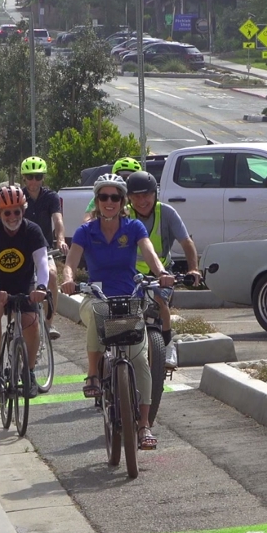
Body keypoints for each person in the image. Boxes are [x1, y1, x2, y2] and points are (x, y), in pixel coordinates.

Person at [61, 173, 175, 451]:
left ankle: (144, 425)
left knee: (141, 361)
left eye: (115, 197)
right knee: (97, 317)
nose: (109, 202)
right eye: (103, 197)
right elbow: (71, 262)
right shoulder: (85, 232)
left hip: (130, 297)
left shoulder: (134, 227)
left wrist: (161, 273)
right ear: (97, 201)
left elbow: (150, 254)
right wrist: (67, 278)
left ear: (123, 201)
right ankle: (92, 374)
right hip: (97, 295)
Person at [0, 186, 49, 398]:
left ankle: (30, 372)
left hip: (23, 282)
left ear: (23, 210)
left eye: (17, 211)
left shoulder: (33, 231)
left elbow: (42, 262)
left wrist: (42, 287)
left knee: (31, 320)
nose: (12, 216)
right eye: (7, 212)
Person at [125, 171, 203, 368]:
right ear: (129, 198)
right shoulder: (123, 215)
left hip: (161, 273)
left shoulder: (166, 213)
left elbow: (186, 242)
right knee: (122, 312)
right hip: (130, 274)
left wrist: (193, 269)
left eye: (146, 195)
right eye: (136, 196)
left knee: (160, 302)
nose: (142, 201)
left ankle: (168, 347)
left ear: (155, 194)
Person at [20, 156, 66, 340]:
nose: (34, 181)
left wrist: (61, 239)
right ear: (24, 178)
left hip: (43, 247)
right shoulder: (19, 196)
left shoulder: (51, 197)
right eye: (30, 177)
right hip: (22, 249)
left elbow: (58, 219)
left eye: (38, 176)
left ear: (43, 178)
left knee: (52, 276)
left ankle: (49, 323)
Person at [82, 157, 142, 223]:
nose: (126, 182)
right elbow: (87, 219)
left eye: (131, 179)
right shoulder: (102, 197)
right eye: (122, 177)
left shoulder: (141, 198)